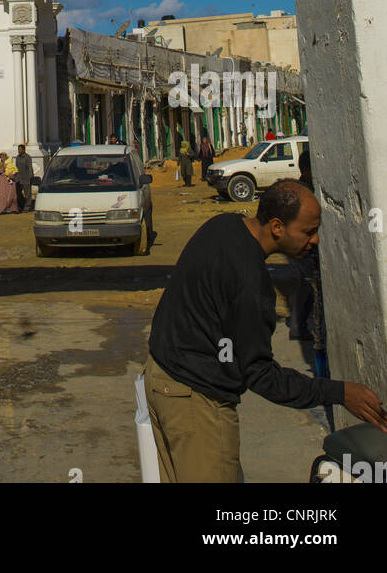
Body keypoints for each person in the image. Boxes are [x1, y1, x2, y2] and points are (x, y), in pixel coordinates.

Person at [144, 179, 387, 483]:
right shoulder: (252, 285)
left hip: (161, 381)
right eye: (308, 232)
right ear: (277, 227)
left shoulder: (223, 225)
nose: (315, 241)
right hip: (197, 404)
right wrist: (339, 392)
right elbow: (261, 376)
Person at [14, 144, 34, 213]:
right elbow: (16, 167)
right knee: (18, 193)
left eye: (20, 149)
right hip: (18, 178)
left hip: (26, 178)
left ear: (23, 150)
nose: (18, 151)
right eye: (18, 149)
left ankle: (27, 206)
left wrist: (30, 177)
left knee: (27, 193)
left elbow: (30, 168)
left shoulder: (27, 157)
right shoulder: (17, 157)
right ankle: (22, 205)